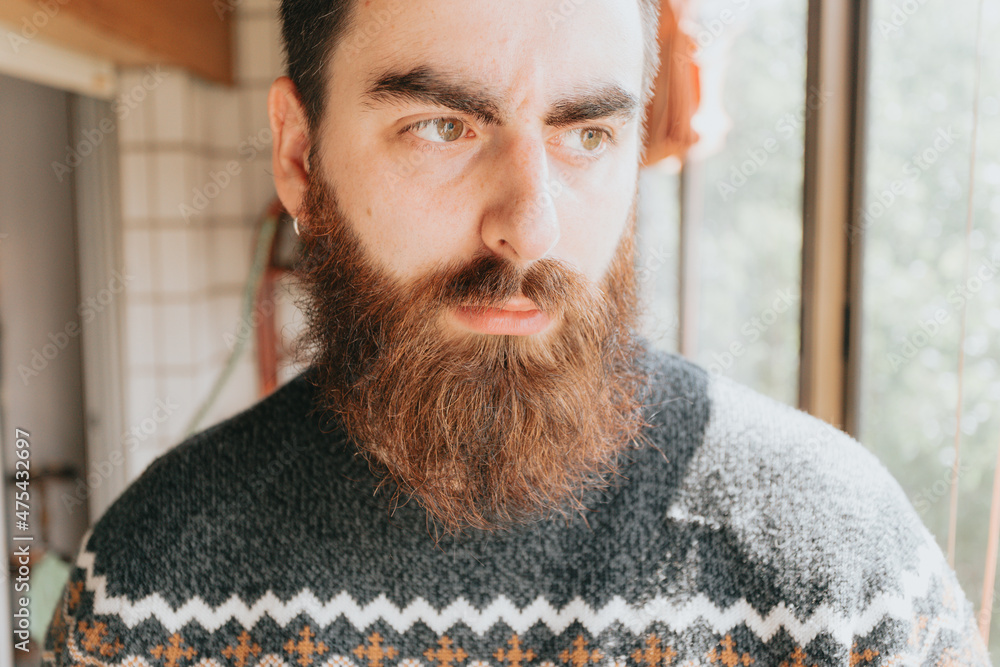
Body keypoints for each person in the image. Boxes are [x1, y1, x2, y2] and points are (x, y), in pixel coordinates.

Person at [42, 0, 992, 665]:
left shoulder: (837, 563)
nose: (530, 226)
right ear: (300, 156)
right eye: (442, 127)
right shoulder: (154, 582)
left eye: (587, 135)